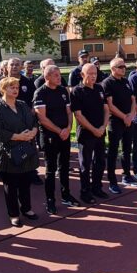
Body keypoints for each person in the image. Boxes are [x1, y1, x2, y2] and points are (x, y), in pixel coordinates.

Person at [0, 77, 40, 227]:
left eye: (17, 87)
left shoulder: (23, 105)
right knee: (11, 186)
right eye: (12, 87)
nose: (15, 89)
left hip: (26, 149)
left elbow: (34, 121)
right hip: (8, 152)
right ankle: (13, 214)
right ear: (3, 89)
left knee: (25, 182)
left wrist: (33, 132)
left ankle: (27, 209)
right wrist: (18, 136)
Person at [33, 65, 79, 214]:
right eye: (56, 76)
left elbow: (68, 112)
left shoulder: (62, 91)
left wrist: (68, 128)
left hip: (64, 135)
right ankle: (50, 200)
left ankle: (66, 195)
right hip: (49, 137)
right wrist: (59, 131)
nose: (60, 78)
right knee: (51, 170)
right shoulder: (40, 93)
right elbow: (42, 118)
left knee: (64, 166)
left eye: (59, 75)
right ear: (47, 77)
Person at [71, 64, 110, 204]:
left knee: (100, 162)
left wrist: (103, 127)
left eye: (95, 73)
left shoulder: (100, 88)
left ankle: (97, 188)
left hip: (100, 132)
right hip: (86, 134)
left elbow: (107, 109)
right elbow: (78, 116)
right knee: (85, 164)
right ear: (82, 75)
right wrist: (94, 129)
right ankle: (85, 192)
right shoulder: (77, 91)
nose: (93, 76)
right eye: (90, 73)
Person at [102, 57, 136, 192]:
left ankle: (127, 175)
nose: (124, 69)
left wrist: (131, 115)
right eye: (120, 67)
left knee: (127, 149)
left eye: (124, 67)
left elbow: (133, 99)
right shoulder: (107, 83)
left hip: (128, 120)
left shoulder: (126, 81)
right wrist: (124, 117)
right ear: (113, 69)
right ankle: (112, 181)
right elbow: (110, 105)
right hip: (115, 122)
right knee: (113, 151)